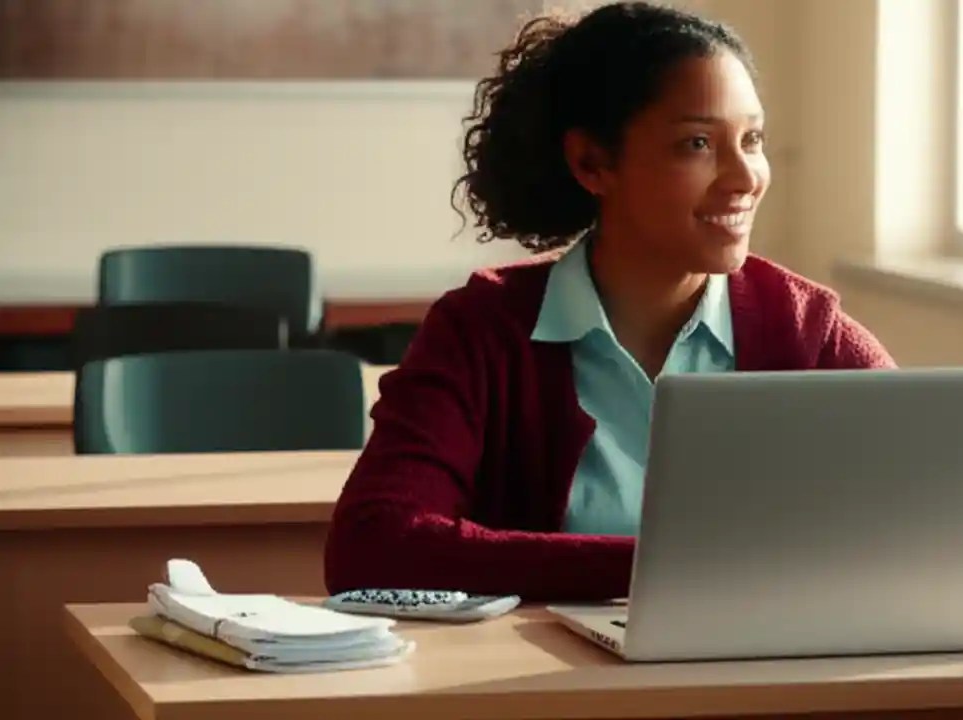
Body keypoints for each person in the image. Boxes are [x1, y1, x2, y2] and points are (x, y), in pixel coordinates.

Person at [325, 1, 895, 601]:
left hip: (765, 686)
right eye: (697, 143)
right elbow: (373, 547)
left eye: (751, 139)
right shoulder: (481, 331)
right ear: (592, 163)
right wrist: (678, 570)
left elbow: (929, 518)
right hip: (539, 688)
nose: (744, 176)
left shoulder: (809, 331)